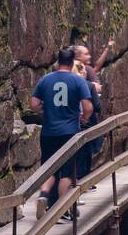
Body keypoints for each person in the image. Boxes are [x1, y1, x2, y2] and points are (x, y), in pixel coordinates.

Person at [30, 47, 93, 218]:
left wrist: (47, 109)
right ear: (72, 62)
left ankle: (43, 195)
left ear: (58, 62)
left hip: (49, 132)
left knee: (49, 167)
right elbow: (88, 107)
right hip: (69, 133)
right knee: (67, 171)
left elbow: (34, 104)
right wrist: (84, 118)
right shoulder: (77, 81)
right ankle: (62, 208)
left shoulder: (45, 80)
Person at [72, 39, 113, 186]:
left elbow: (95, 68)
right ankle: (81, 181)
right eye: (86, 54)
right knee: (85, 149)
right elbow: (93, 103)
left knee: (82, 151)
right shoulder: (82, 75)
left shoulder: (81, 70)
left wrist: (107, 49)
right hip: (83, 118)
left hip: (68, 119)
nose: (89, 56)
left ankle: (81, 179)